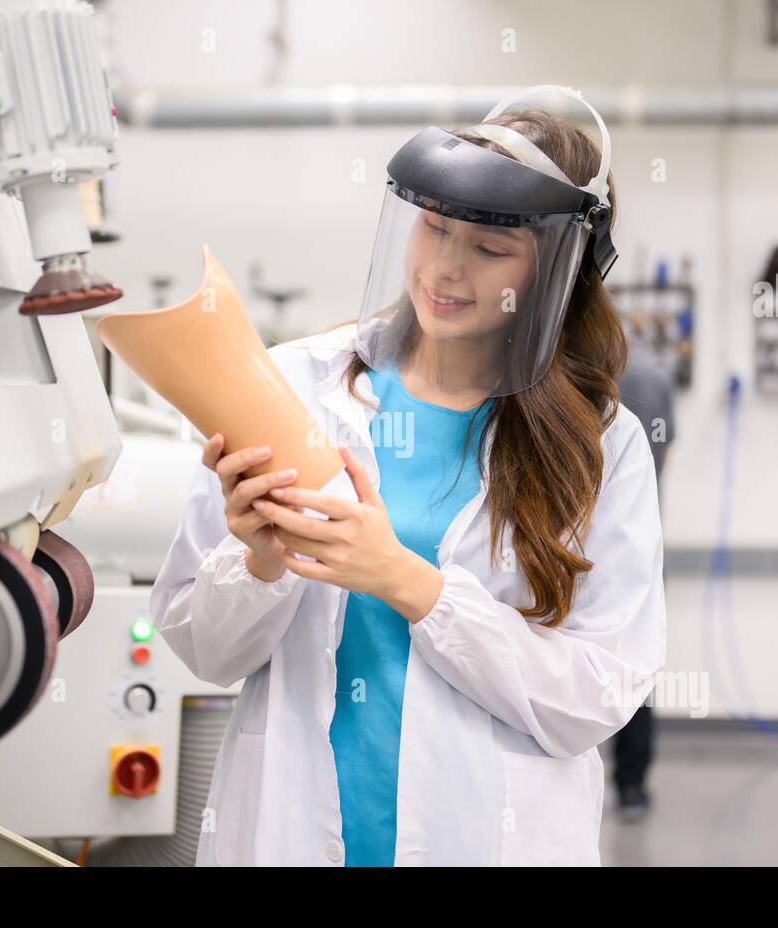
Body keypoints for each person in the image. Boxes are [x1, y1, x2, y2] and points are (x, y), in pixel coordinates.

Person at [151, 86, 665, 866]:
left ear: (562, 269)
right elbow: (203, 649)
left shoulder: (601, 444)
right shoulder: (296, 387)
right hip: (294, 834)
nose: (446, 269)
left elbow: (594, 697)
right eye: (433, 228)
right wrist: (257, 563)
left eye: (491, 249)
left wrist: (410, 584)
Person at [610, 318, 676, 822]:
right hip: (639, 543)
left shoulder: (582, 369)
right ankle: (632, 786)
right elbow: (665, 455)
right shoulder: (657, 374)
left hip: (570, 544)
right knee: (634, 669)